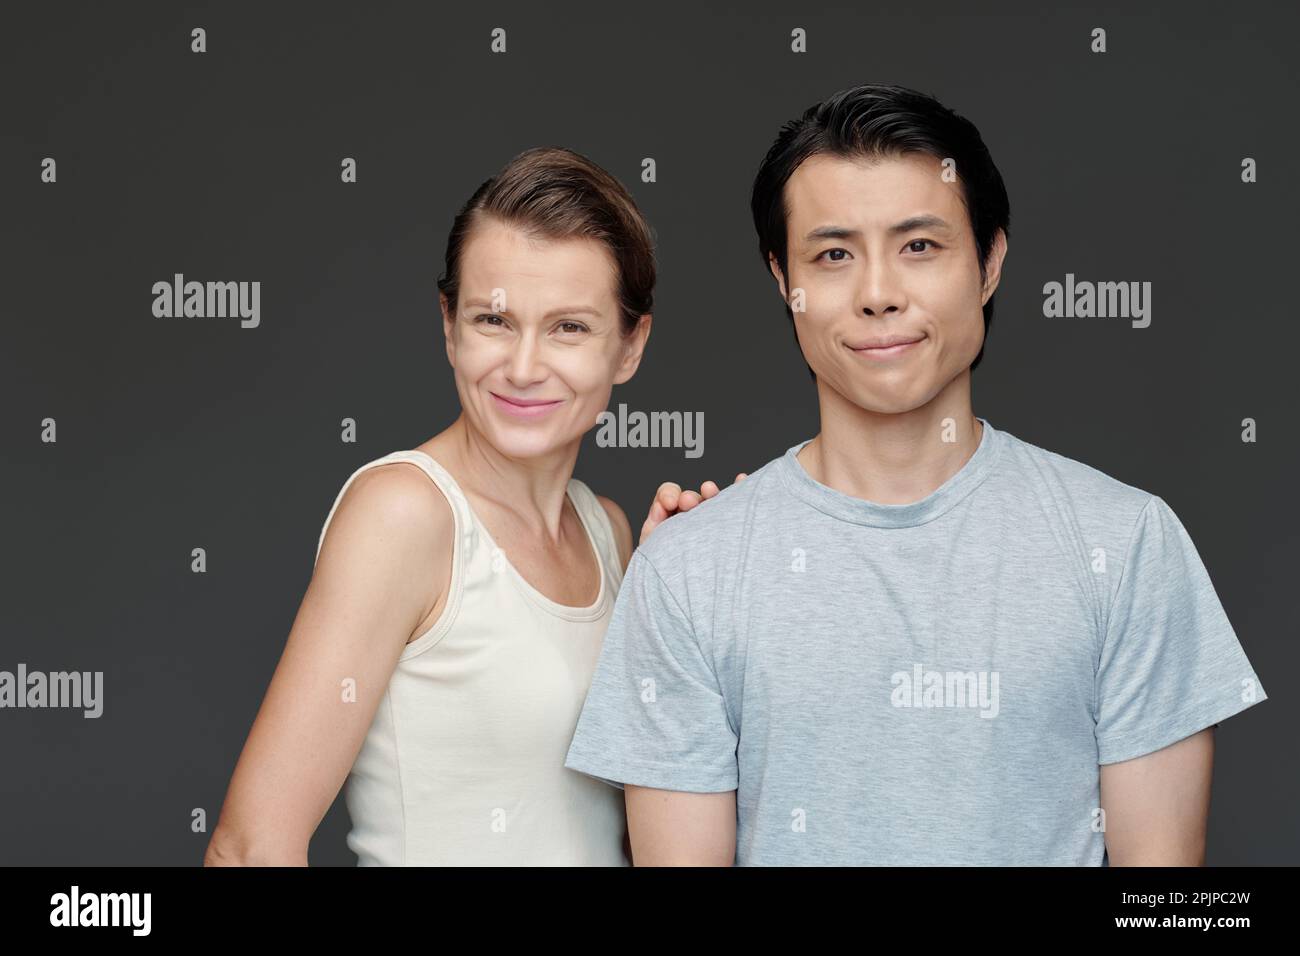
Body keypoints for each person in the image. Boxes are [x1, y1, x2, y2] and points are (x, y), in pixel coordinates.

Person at [567, 83, 1269, 866]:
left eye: (920, 246)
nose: (877, 295)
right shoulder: (688, 570)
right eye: (833, 255)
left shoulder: (1127, 543)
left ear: (990, 261)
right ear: (781, 278)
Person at [205, 146, 655, 865]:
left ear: (630, 346)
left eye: (569, 327)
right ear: (449, 325)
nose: (524, 366)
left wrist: (675, 606)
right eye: (493, 321)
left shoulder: (611, 531)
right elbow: (250, 846)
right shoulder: (404, 514)